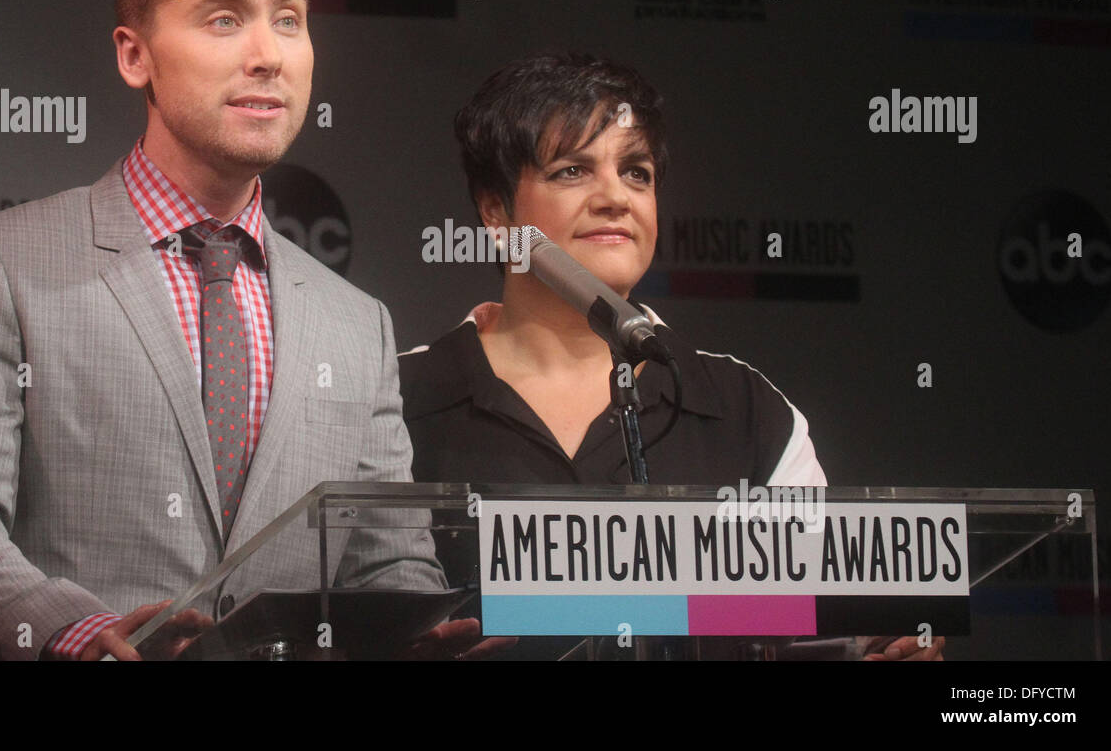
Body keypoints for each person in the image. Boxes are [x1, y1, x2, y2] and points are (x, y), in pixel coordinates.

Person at [0, 0, 451, 661]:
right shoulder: (0, 263)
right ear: (134, 55)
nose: (268, 55)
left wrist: (435, 636)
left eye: (289, 19)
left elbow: (390, 561)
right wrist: (79, 634)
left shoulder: (357, 322)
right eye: (224, 19)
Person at [401, 52, 944, 660]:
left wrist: (882, 644)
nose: (615, 197)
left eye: (636, 172)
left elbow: (823, 622)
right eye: (572, 170)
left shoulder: (743, 409)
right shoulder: (398, 401)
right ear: (497, 212)